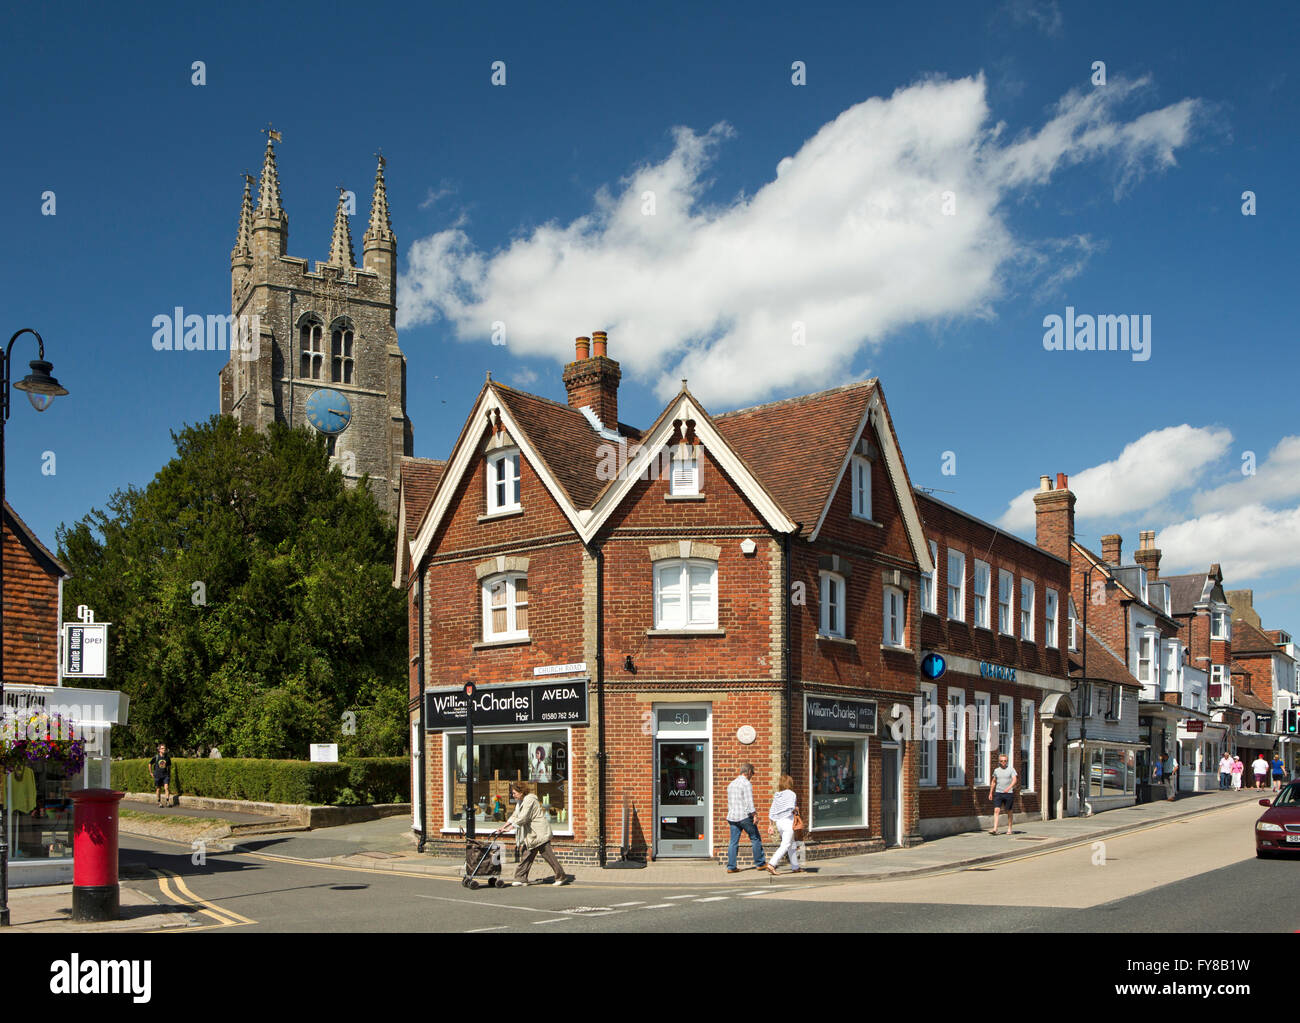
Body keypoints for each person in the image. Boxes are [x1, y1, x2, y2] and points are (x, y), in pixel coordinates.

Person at [490, 781, 566, 886]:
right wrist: (503, 827)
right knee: (526, 855)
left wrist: (511, 828)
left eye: (514, 792)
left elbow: (524, 816)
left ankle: (561, 876)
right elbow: (515, 815)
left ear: (521, 792)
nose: (513, 795)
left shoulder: (530, 799)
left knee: (548, 856)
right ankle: (520, 878)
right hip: (531, 834)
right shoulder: (520, 802)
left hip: (539, 832)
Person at [725, 762, 767, 874]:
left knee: (733, 842)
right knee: (755, 838)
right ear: (748, 772)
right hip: (744, 816)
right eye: (752, 773)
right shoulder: (746, 784)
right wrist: (754, 815)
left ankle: (731, 866)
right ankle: (760, 864)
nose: (752, 775)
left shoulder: (731, 784)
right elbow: (749, 802)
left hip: (732, 817)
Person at [764, 773, 802, 874]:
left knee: (791, 844)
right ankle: (772, 864)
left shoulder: (777, 795)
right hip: (788, 821)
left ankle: (795, 867)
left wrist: (770, 825)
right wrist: (796, 809)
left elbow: (772, 811)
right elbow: (791, 808)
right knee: (785, 844)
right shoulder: (792, 794)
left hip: (779, 823)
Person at [989, 753, 1017, 834]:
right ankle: (995, 829)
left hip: (1009, 793)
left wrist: (1009, 788)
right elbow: (993, 782)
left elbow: (1015, 780)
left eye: (1005, 761)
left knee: (1009, 811)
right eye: (1001, 761)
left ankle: (1009, 828)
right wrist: (991, 792)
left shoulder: (1011, 769)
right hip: (998, 793)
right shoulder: (996, 770)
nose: (1003, 762)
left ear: (1007, 761)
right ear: (999, 761)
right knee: (996, 810)